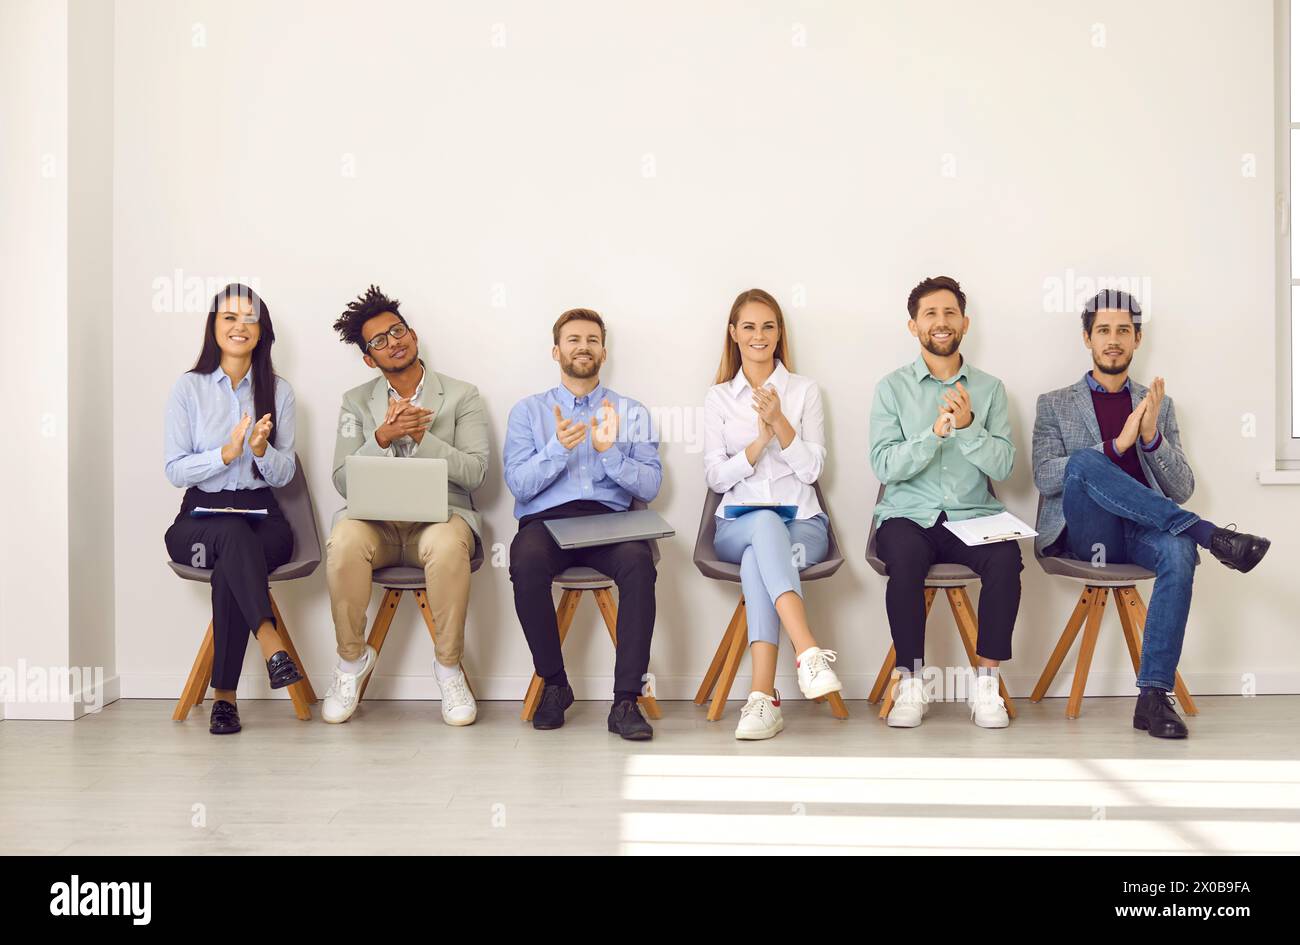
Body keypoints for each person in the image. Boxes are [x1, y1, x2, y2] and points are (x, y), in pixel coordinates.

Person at [1032, 289, 1270, 739]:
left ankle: (1153, 698)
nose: (1114, 339)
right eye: (1104, 330)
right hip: (1090, 535)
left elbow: (1181, 488)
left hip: (1144, 531)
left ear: (1137, 339)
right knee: (1085, 462)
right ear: (1087, 338)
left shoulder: (1158, 403)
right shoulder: (1054, 403)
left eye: (1124, 330)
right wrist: (1117, 447)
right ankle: (1211, 534)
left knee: (1179, 550)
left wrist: (1151, 439)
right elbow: (1046, 478)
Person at [322, 285, 489, 726]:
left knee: (449, 544)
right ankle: (350, 662)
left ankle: (449, 669)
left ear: (413, 335)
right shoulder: (356, 402)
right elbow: (341, 481)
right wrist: (382, 437)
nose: (392, 342)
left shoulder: (461, 395)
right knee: (342, 540)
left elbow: (476, 474)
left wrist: (421, 437)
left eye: (397, 331)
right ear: (368, 358)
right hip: (375, 525)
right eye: (378, 340)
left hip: (438, 521)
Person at [869, 275, 1021, 729]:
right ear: (913, 326)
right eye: (930, 314)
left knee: (1006, 559)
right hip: (907, 516)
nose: (941, 322)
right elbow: (883, 465)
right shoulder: (891, 388)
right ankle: (911, 683)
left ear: (965, 323)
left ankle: (987, 684)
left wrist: (969, 424)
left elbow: (1005, 467)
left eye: (949, 313)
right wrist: (931, 437)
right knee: (906, 560)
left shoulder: (991, 389)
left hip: (972, 517)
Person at [504, 308, 662, 740]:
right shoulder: (527, 412)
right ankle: (555, 684)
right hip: (547, 523)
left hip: (610, 522)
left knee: (639, 564)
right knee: (526, 562)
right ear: (556, 351)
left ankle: (626, 701)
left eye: (592, 339)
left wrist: (610, 453)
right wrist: (557, 448)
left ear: (604, 352)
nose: (583, 347)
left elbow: (652, 482)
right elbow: (517, 485)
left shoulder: (630, 411)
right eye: (573, 339)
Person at [703, 288, 841, 740]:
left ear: (779, 333)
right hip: (735, 525)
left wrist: (781, 423)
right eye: (749, 326)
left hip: (803, 525)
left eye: (768, 326)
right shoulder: (718, 398)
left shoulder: (804, 391)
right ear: (734, 334)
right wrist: (758, 442)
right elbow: (716, 478)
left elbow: (813, 469)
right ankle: (808, 653)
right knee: (762, 526)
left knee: (758, 560)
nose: (759, 335)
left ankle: (762, 699)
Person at [164, 284, 300, 735]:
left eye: (249, 318)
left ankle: (224, 698)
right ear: (214, 327)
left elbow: (282, 477)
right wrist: (224, 454)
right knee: (230, 541)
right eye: (229, 317)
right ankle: (270, 643)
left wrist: (260, 451)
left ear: (262, 333)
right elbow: (175, 470)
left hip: (264, 518)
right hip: (200, 518)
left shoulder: (279, 392)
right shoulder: (189, 388)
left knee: (233, 559)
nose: (239, 326)